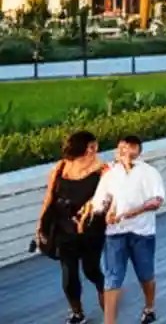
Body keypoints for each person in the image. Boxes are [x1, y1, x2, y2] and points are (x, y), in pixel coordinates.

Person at [87, 135, 166, 324]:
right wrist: (104, 211)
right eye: (122, 148)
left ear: (138, 151)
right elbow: (100, 200)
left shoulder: (149, 172)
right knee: (112, 277)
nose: (126, 152)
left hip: (142, 232)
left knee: (145, 274)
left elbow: (157, 201)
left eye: (131, 148)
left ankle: (149, 307)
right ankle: (109, 321)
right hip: (115, 233)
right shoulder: (111, 174)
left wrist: (135, 211)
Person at [37, 130, 107, 324]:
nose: (95, 151)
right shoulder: (60, 168)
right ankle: (77, 313)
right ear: (81, 149)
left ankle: (109, 311)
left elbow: (107, 197)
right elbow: (49, 197)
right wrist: (41, 224)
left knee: (91, 270)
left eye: (95, 147)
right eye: (91, 147)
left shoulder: (102, 170)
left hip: (91, 229)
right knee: (68, 274)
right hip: (63, 227)